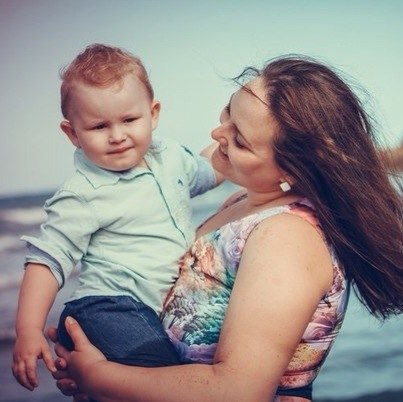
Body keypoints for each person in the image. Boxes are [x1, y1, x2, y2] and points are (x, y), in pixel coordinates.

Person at [51, 55, 403, 402]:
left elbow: (239, 391)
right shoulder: (242, 203)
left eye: (240, 140)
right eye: (228, 114)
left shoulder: (286, 238)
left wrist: (100, 377)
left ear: (292, 169)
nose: (217, 133)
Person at [12, 44, 222, 391]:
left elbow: (212, 169)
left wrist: (245, 135)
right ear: (73, 133)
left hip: (149, 316)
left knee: (175, 374)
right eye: (99, 126)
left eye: (129, 120)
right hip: (106, 310)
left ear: (153, 113)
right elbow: (47, 261)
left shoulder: (171, 158)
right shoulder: (83, 193)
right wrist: (28, 330)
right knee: (168, 380)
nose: (117, 135)